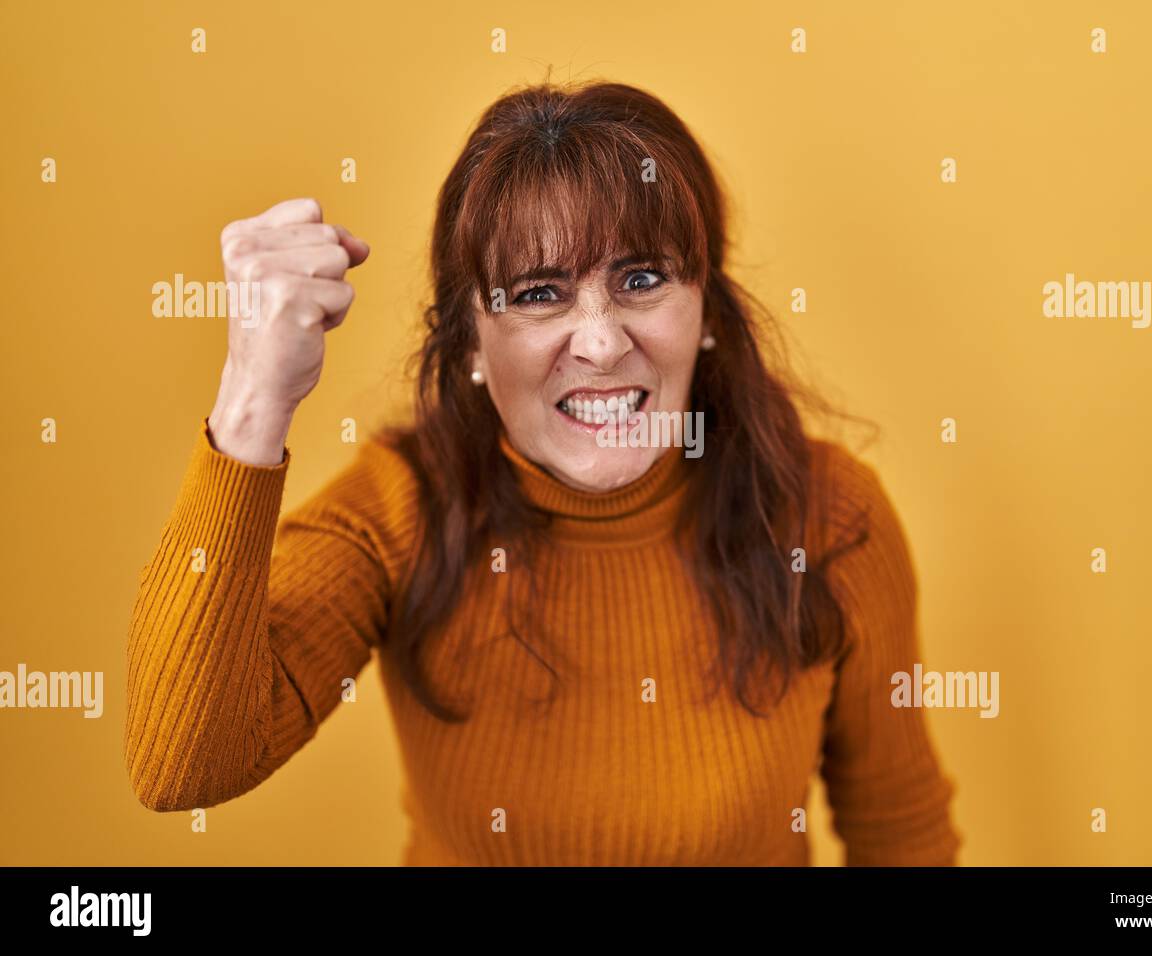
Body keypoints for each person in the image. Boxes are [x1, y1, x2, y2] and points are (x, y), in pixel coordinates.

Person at [125, 79, 963, 866]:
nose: (599, 343)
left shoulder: (828, 518)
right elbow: (180, 766)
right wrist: (253, 397)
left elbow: (902, 833)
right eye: (537, 293)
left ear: (706, 308)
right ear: (469, 343)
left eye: (641, 278)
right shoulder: (401, 512)